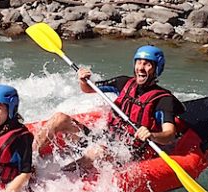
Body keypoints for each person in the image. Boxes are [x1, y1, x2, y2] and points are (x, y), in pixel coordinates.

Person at [33, 45, 185, 166]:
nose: (140, 67)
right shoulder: (123, 82)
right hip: (105, 138)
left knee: (97, 151)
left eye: (147, 64)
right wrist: (83, 80)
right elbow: (88, 88)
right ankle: (27, 162)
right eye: (138, 62)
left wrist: (151, 135)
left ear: (156, 69)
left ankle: (60, 178)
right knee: (60, 118)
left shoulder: (164, 100)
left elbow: (169, 134)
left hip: (128, 153)